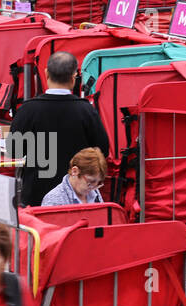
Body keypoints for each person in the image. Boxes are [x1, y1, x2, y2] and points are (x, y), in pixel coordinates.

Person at [8, 52, 111, 206]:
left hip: (36, 195)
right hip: (76, 196)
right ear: (74, 77)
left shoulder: (28, 110)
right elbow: (102, 150)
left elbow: (14, 150)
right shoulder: (86, 111)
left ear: (46, 73)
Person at [41, 147, 107, 206]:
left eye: (99, 183)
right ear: (75, 171)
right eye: (90, 182)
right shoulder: (53, 200)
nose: (94, 188)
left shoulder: (94, 191)